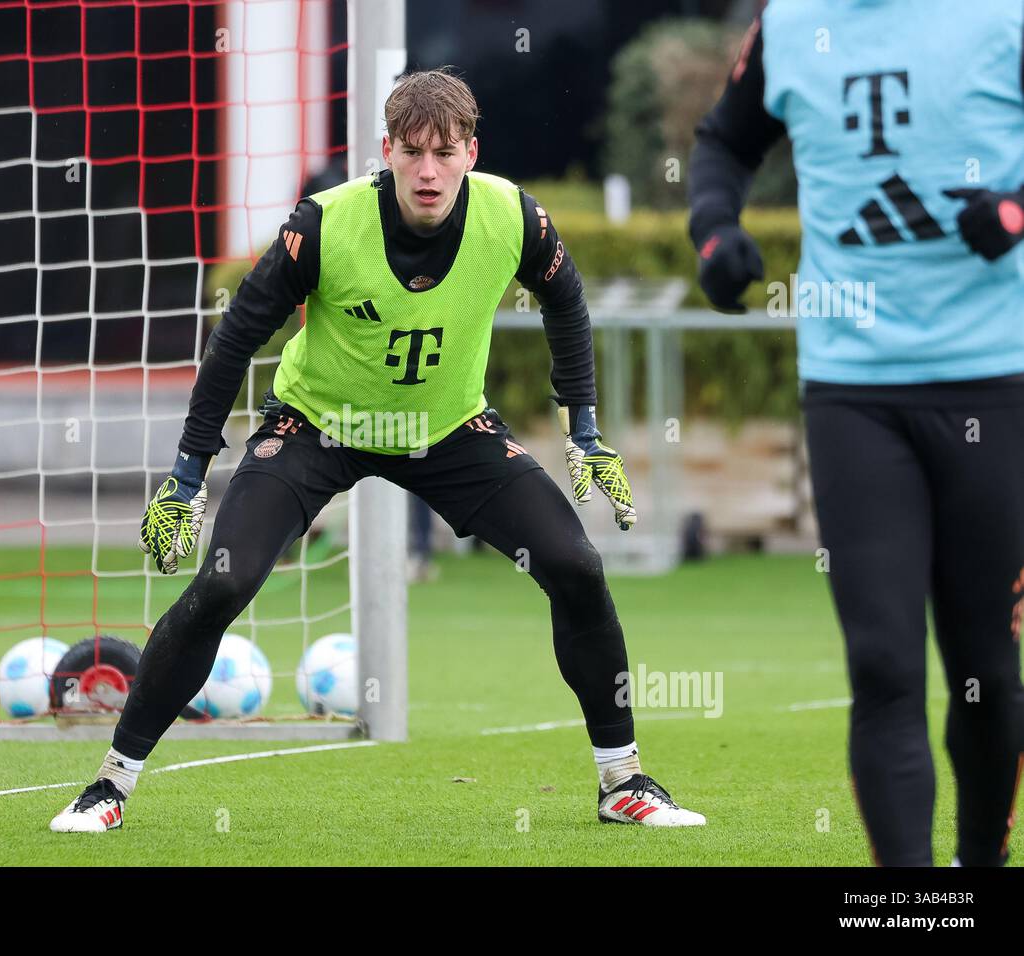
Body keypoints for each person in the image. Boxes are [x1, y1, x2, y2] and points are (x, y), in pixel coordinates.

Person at [50, 68, 705, 833]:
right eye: (414, 153)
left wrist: (583, 431)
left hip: (448, 431)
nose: (429, 172)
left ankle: (622, 782)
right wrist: (189, 471)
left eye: (447, 152)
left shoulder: (514, 215)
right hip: (316, 428)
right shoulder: (322, 224)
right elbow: (237, 338)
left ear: (471, 152)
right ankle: (110, 785)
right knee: (224, 586)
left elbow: (567, 300)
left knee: (576, 566)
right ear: (385, 150)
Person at [688, 0, 1024, 865]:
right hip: (854, 388)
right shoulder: (794, 22)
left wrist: (1017, 209)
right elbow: (725, 142)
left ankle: (978, 865)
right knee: (883, 665)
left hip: (996, 378)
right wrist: (714, 231)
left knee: (985, 666)